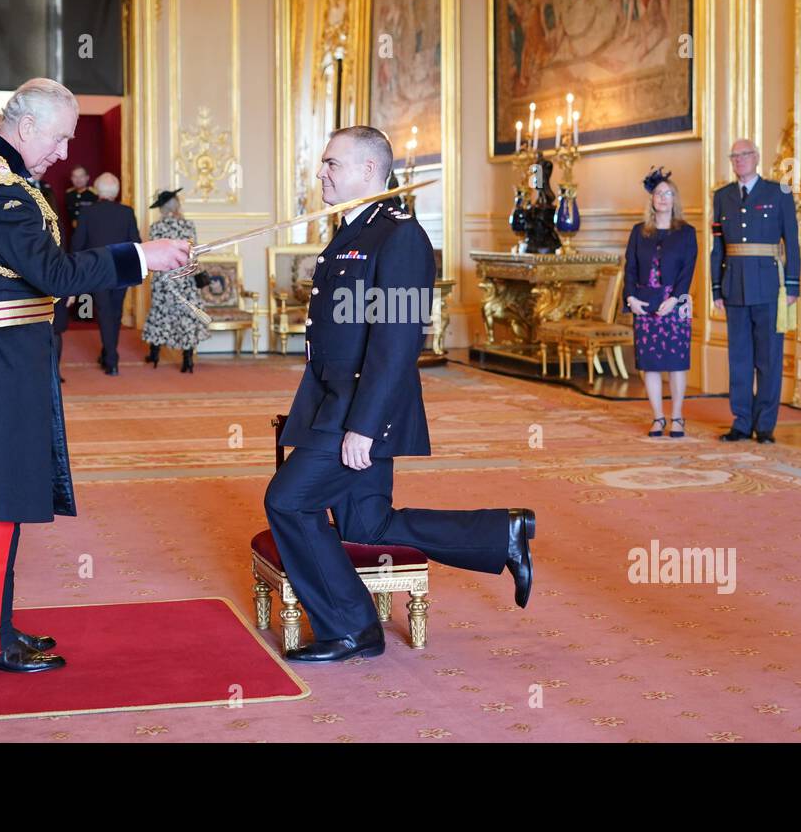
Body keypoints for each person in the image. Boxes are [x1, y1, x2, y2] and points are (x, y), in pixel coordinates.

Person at [0, 78, 189, 673]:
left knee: (5, 495)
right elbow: (55, 274)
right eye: (61, 137)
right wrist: (142, 256)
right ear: (29, 125)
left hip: (4, 358)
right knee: (2, 497)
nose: (65, 151)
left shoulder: (2, 182)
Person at [264, 125, 536, 664]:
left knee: (287, 501)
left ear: (369, 170)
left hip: (358, 409)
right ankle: (498, 533)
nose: (321, 172)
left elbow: (396, 341)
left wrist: (365, 425)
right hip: (330, 401)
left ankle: (352, 626)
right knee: (367, 524)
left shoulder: (400, 236)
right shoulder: (354, 229)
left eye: (331, 163)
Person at [709, 138, 800, 444]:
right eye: (734, 156)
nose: (739, 160)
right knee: (739, 359)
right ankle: (741, 421)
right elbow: (718, 247)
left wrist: (792, 285)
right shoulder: (721, 196)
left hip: (770, 287)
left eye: (745, 155)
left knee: (769, 358)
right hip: (734, 287)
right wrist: (716, 289)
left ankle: (765, 425)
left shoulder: (779, 192)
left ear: (757, 157)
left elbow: (793, 243)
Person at [624, 167, 696, 437]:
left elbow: (688, 270)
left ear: (675, 199)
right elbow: (630, 268)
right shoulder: (638, 231)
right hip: (644, 304)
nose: (663, 198)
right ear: (651, 199)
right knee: (650, 364)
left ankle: (677, 417)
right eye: (658, 194)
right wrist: (630, 297)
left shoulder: (686, 232)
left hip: (675, 306)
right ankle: (657, 418)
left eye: (668, 193)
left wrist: (675, 299)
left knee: (676, 362)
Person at [72, 171, 141, 375]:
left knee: (104, 312)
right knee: (116, 312)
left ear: (96, 190)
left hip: (97, 268)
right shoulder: (127, 212)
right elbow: (136, 242)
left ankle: (110, 357)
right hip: (123, 267)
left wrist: (75, 265)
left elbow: (78, 242)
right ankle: (110, 354)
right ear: (117, 191)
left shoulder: (87, 213)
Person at [142, 188, 208, 371]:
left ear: (161, 208)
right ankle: (187, 359)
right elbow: (194, 254)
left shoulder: (156, 227)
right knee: (185, 315)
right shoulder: (188, 226)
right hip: (185, 277)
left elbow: (152, 255)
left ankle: (154, 354)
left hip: (164, 278)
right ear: (176, 204)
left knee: (160, 313)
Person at [64, 165, 97, 236]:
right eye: (75, 177)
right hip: (74, 233)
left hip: (90, 232)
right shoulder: (69, 194)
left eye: (81, 176)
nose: (78, 180)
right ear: (71, 178)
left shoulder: (94, 195)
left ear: (87, 178)